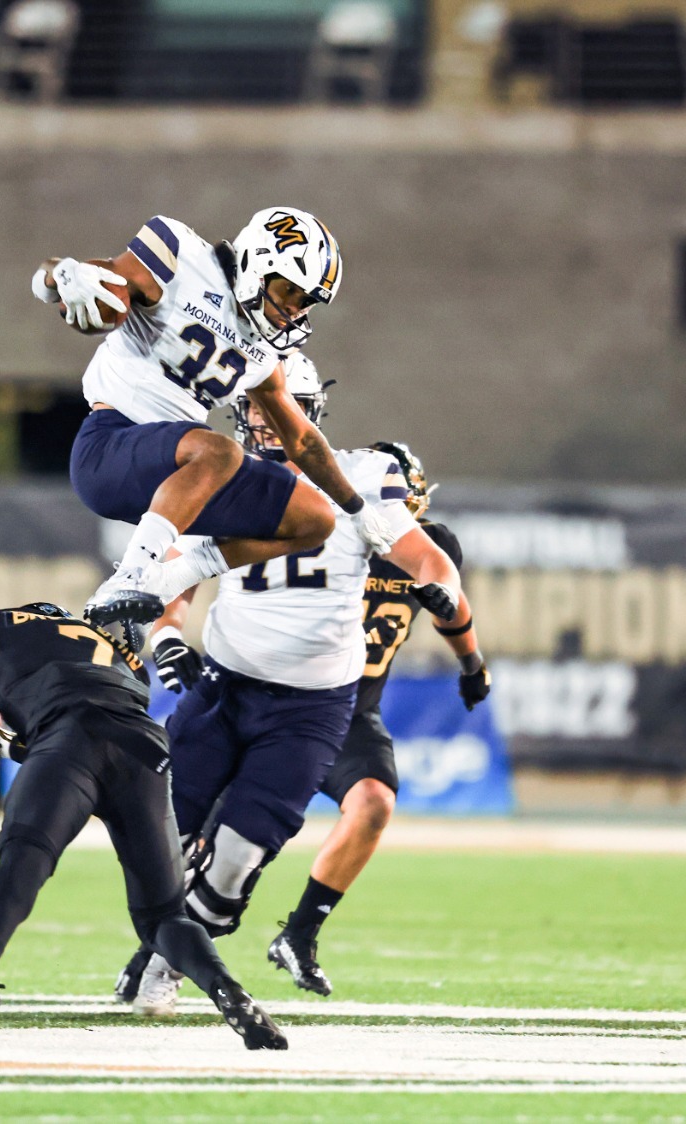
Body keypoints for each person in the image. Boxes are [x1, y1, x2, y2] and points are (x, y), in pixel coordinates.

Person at [114, 358, 469, 1016]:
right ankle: (157, 947)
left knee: (232, 868)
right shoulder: (218, 470)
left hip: (312, 705)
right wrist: (166, 639)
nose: (264, 419)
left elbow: (428, 555)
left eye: (278, 406)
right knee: (163, 840)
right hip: (224, 682)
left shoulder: (362, 477)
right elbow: (172, 573)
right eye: (253, 405)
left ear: (309, 411)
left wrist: (442, 588)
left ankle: (166, 964)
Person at [0, 602, 285, 1051]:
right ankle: (228, 992)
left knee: (24, 857)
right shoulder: (116, 655)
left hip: (71, 738)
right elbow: (95, 717)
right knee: (163, 916)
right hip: (145, 750)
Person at [36, 207, 404, 643]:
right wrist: (58, 276)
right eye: (288, 289)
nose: (292, 307)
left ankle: (162, 582)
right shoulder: (179, 253)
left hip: (180, 475)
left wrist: (356, 509)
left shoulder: (265, 355)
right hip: (110, 447)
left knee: (314, 519)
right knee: (222, 450)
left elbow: (301, 438)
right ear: (256, 262)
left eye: (304, 300)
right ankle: (130, 575)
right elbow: (106, 285)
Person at [268, 440, 489, 996]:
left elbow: (450, 604)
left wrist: (471, 664)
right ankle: (161, 946)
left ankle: (299, 934)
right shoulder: (320, 529)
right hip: (279, 706)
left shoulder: (430, 546)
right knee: (225, 845)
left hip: (349, 712)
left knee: (374, 802)